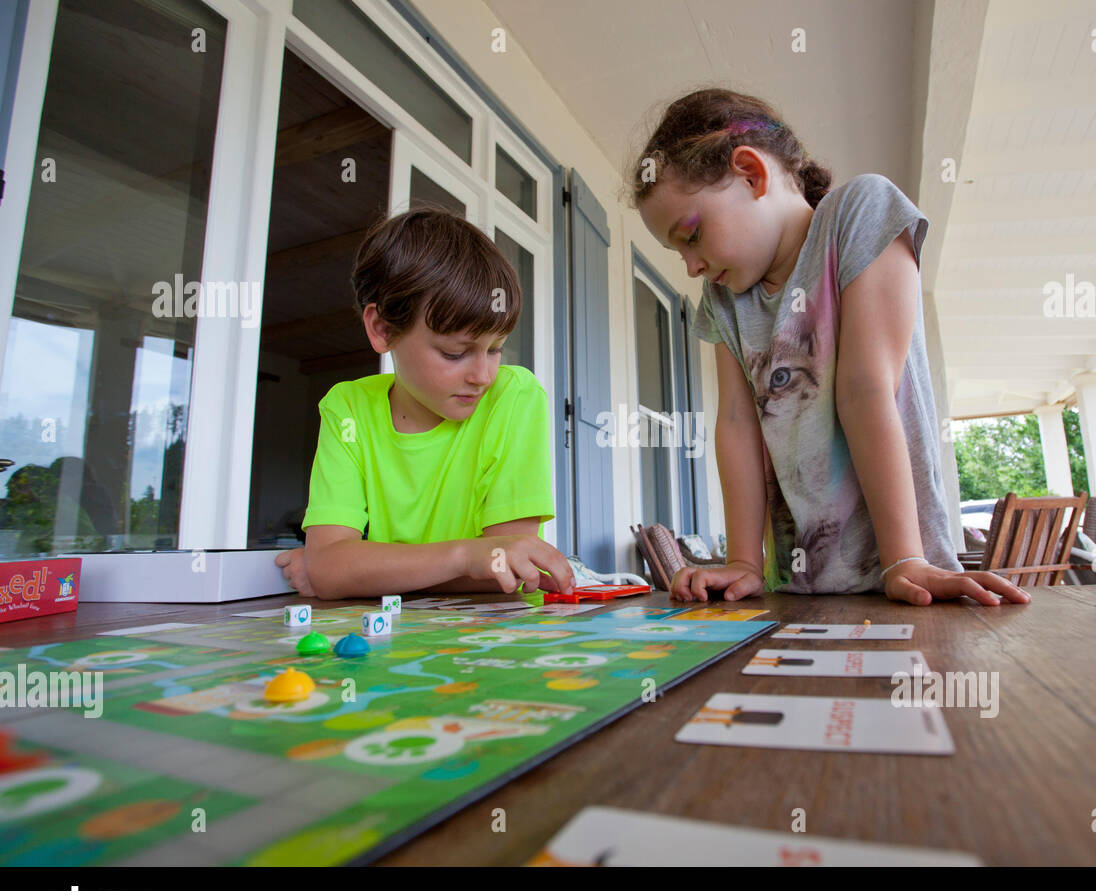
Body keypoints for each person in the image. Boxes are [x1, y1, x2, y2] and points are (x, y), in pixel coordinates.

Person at [632, 88, 1028, 607]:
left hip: (906, 573)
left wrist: (904, 560)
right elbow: (736, 425)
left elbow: (866, 388)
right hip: (800, 587)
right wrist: (746, 562)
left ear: (752, 174)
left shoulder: (858, 213)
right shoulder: (723, 302)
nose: (692, 266)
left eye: (692, 235)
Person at [274, 204, 574, 600]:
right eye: (455, 353)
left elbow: (506, 571)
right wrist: (469, 555)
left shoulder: (514, 396)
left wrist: (360, 570)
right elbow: (329, 568)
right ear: (382, 329)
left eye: (496, 349)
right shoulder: (346, 408)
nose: (483, 376)